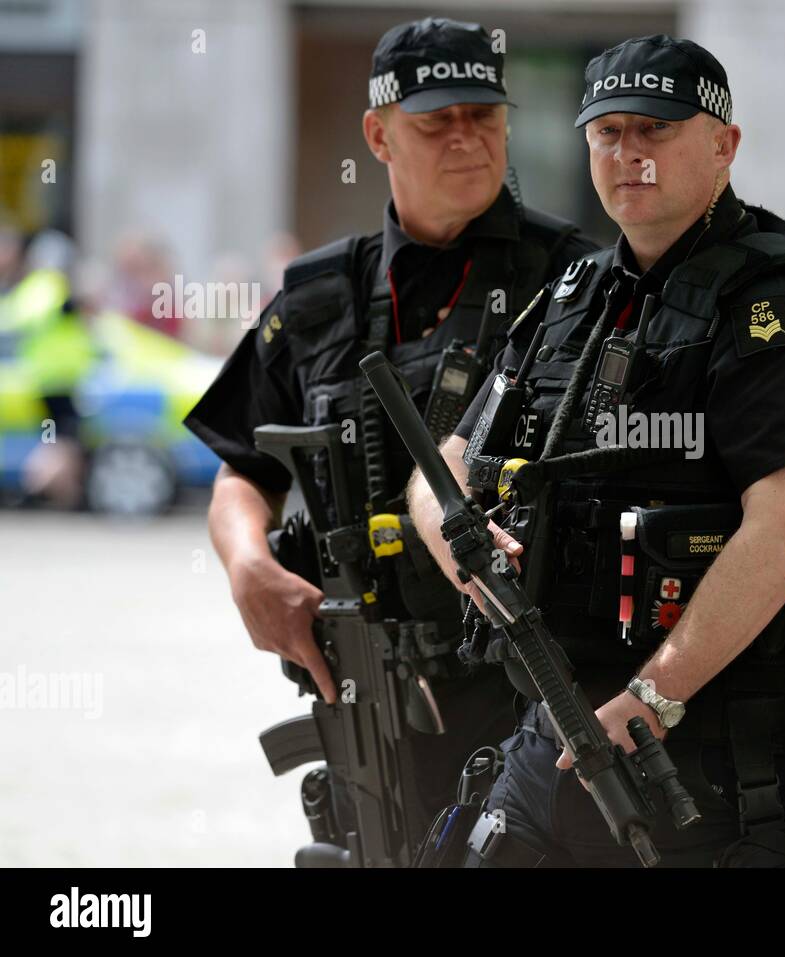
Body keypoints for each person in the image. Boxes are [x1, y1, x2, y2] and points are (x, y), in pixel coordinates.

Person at [408, 34, 785, 867]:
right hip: (554, 722)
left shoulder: (776, 297)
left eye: (655, 130)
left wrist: (653, 695)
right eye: (608, 132)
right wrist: (466, 545)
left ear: (723, 145)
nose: (629, 154)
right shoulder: (573, 295)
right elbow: (440, 463)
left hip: (715, 758)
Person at [184, 16, 595, 860]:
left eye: (483, 116)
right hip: (370, 687)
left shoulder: (574, 278)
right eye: (435, 121)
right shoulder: (318, 296)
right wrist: (248, 568)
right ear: (378, 134)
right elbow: (241, 469)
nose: (466, 139)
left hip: (530, 681)